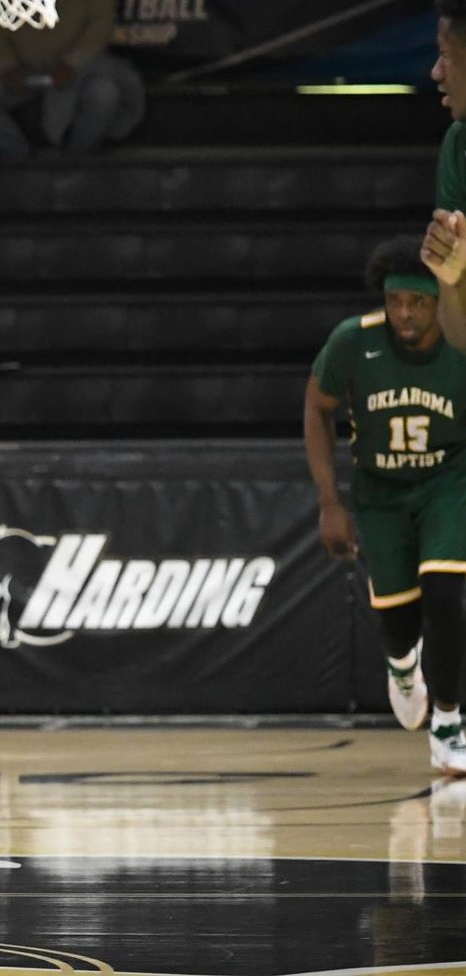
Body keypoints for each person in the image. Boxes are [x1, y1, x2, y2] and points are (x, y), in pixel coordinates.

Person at [305, 237, 466, 775]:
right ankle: (402, 667)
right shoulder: (354, 341)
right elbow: (317, 405)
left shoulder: (462, 341)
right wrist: (329, 502)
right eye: (395, 300)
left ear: (440, 302)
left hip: (448, 482)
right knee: (397, 620)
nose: (403, 313)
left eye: (417, 303)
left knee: (445, 588)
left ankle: (448, 722)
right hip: (381, 493)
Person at [0, 0, 143, 159]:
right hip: (26, 70)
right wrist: (7, 68)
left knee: (104, 94)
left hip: (83, 70)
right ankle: (18, 156)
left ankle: (76, 159)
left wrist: (72, 64)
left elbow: (101, 26)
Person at [423, 0, 466, 351]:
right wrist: (451, 280)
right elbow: (461, 337)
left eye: (446, 56)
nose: (436, 73)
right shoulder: (458, 144)